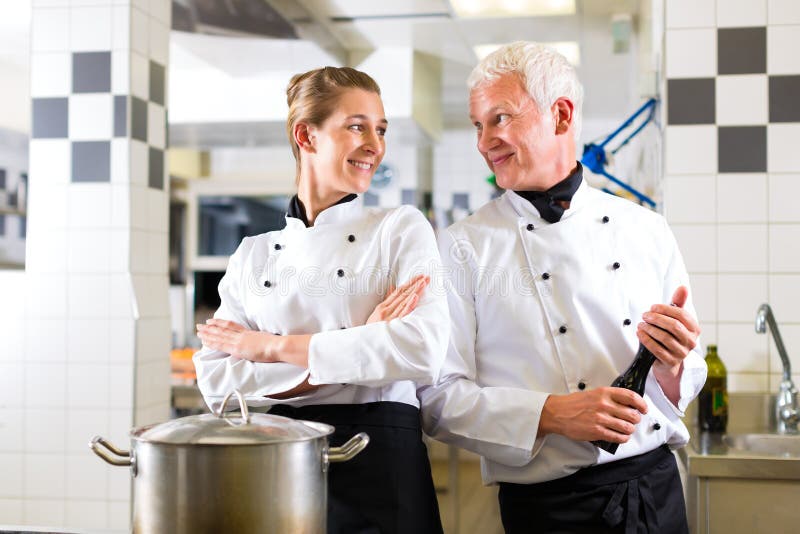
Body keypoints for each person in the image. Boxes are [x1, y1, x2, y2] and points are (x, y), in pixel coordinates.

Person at [419, 42, 706, 534]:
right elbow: (438, 399)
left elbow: (688, 373)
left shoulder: (646, 228)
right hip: (549, 510)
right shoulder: (461, 247)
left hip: (657, 492)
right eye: (477, 125)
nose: (484, 140)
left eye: (500, 118)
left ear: (561, 113)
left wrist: (675, 362)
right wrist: (551, 414)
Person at [193, 66, 448, 534]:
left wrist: (267, 348)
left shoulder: (398, 228)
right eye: (357, 126)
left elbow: (422, 348)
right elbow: (216, 383)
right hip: (281, 465)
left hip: (381, 466)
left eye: (381, 129)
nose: (376, 143)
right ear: (306, 136)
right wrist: (361, 340)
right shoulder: (253, 254)